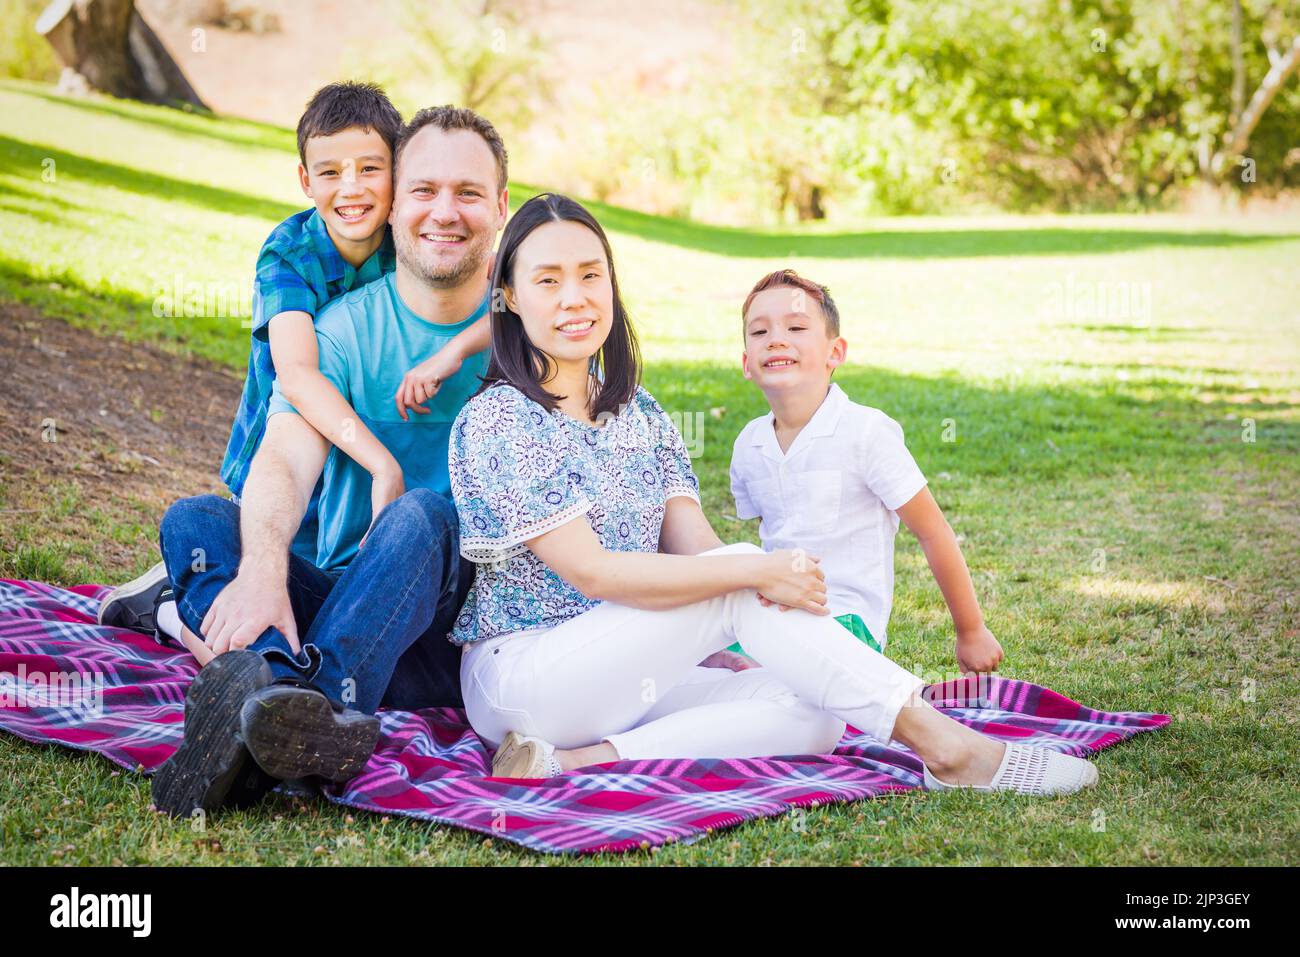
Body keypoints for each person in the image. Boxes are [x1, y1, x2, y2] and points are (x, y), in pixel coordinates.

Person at [448, 192, 1099, 797]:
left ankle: (570, 761)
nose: (575, 297)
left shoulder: (638, 411)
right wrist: (753, 574)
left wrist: (742, 639)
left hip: (622, 682)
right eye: (548, 279)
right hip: (526, 679)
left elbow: (693, 542)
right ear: (507, 296)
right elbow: (594, 570)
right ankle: (948, 747)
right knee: (733, 574)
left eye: (592, 275)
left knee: (811, 711)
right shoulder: (502, 419)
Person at [148, 105, 510, 818]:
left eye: (468, 193)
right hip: (344, 616)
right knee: (198, 522)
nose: (444, 212)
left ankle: (294, 706)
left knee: (422, 514)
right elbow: (283, 456)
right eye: (425, 190)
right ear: (396, 203)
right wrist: (261, 572)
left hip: (455, 640)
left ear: (502, 208)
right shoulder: (342, 330)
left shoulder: (527, 330)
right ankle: (286, 714)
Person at [98, 83, 491, 657]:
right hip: (292, 431)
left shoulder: (409, 237)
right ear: (305, 182)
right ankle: (179, 615)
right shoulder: (290, 253)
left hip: (349, 456)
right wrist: (381, 463)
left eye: (370, 169)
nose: (352, 188)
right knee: (267, 558)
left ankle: (260, 663)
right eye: (330, 172)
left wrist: (450, 352)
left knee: (328, 580)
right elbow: (301, 377)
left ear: (396, 176)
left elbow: (507, 300)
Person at [727, 268, 1005, 673]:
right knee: (706, 661)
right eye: (759, 332)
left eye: (796, 326)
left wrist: (971, 630)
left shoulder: (866, 432)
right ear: (746, 362)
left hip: (845, 623)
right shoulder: (749, 444)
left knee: (771, 674)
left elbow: (932, 531)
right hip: (773, 615)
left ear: (835, 353)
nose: (776, 339)